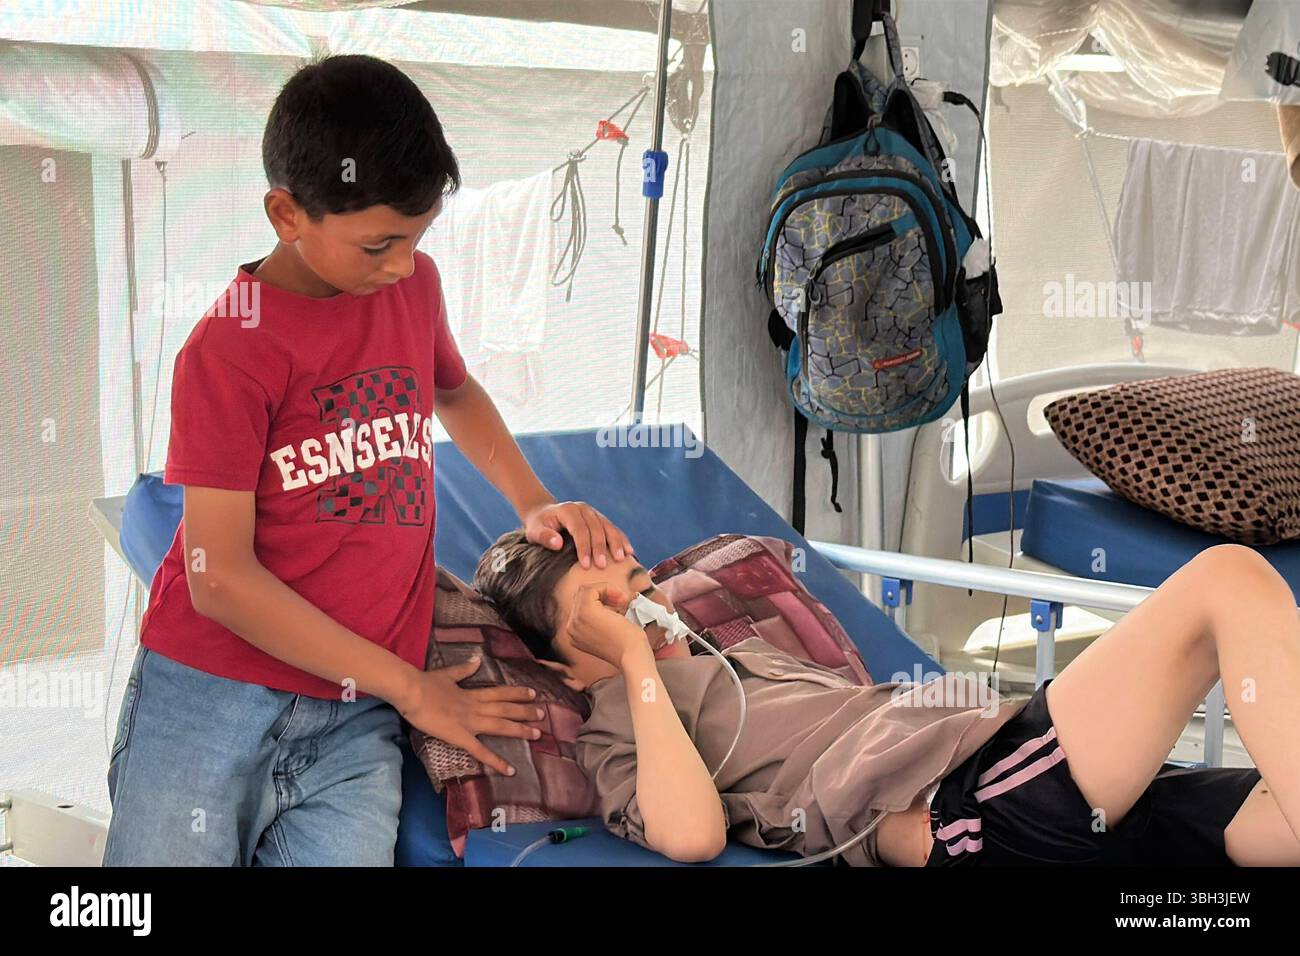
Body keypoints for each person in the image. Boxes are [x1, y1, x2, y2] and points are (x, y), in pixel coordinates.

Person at [103, 54, 634, 866]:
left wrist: (532, 503)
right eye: (378, 244)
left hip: (356, 718)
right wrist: (413, 687)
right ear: (287, 214)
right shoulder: (229, 349)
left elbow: (453, 392)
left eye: (416, 239)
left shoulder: (411, 286)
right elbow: (218, 576)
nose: (399, 265)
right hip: (211, 700)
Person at [475, 528, 1300, 866]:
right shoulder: (617, 725)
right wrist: (633, 670)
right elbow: (690, 837)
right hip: (972, 803)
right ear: (564, 662)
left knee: (1273, 819)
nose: (646, 601)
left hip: (1018, 763)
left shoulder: (735, 655)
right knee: (1227, 576)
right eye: (610, 607)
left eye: (638, 580)